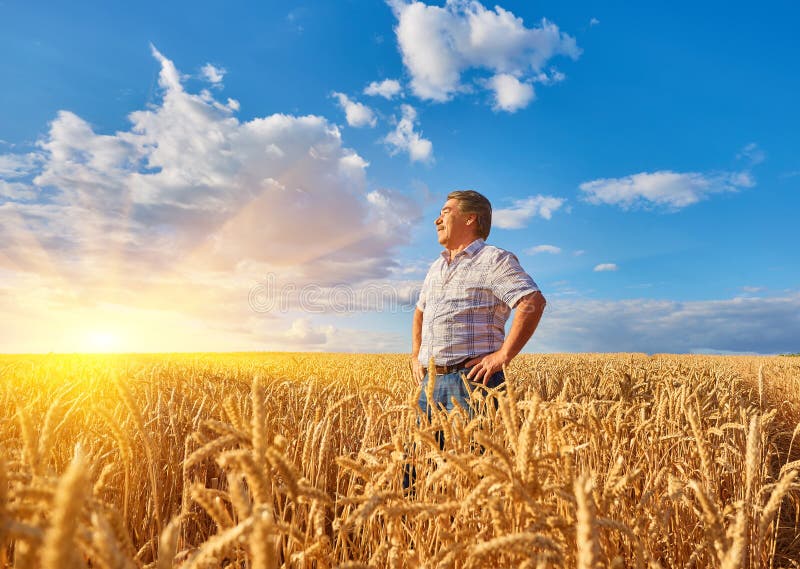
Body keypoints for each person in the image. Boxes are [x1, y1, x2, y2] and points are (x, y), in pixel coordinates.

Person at [410, 190, 547, 418]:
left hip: (472, 382)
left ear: (469, 218)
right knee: (422, 454)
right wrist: (416, 357)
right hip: (429, 383)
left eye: (445, 212)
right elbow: (420, 311)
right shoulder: (436, 266)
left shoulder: (493, 259)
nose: (437, 220)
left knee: (476, 452)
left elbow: (532, 300)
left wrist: (503, 356)